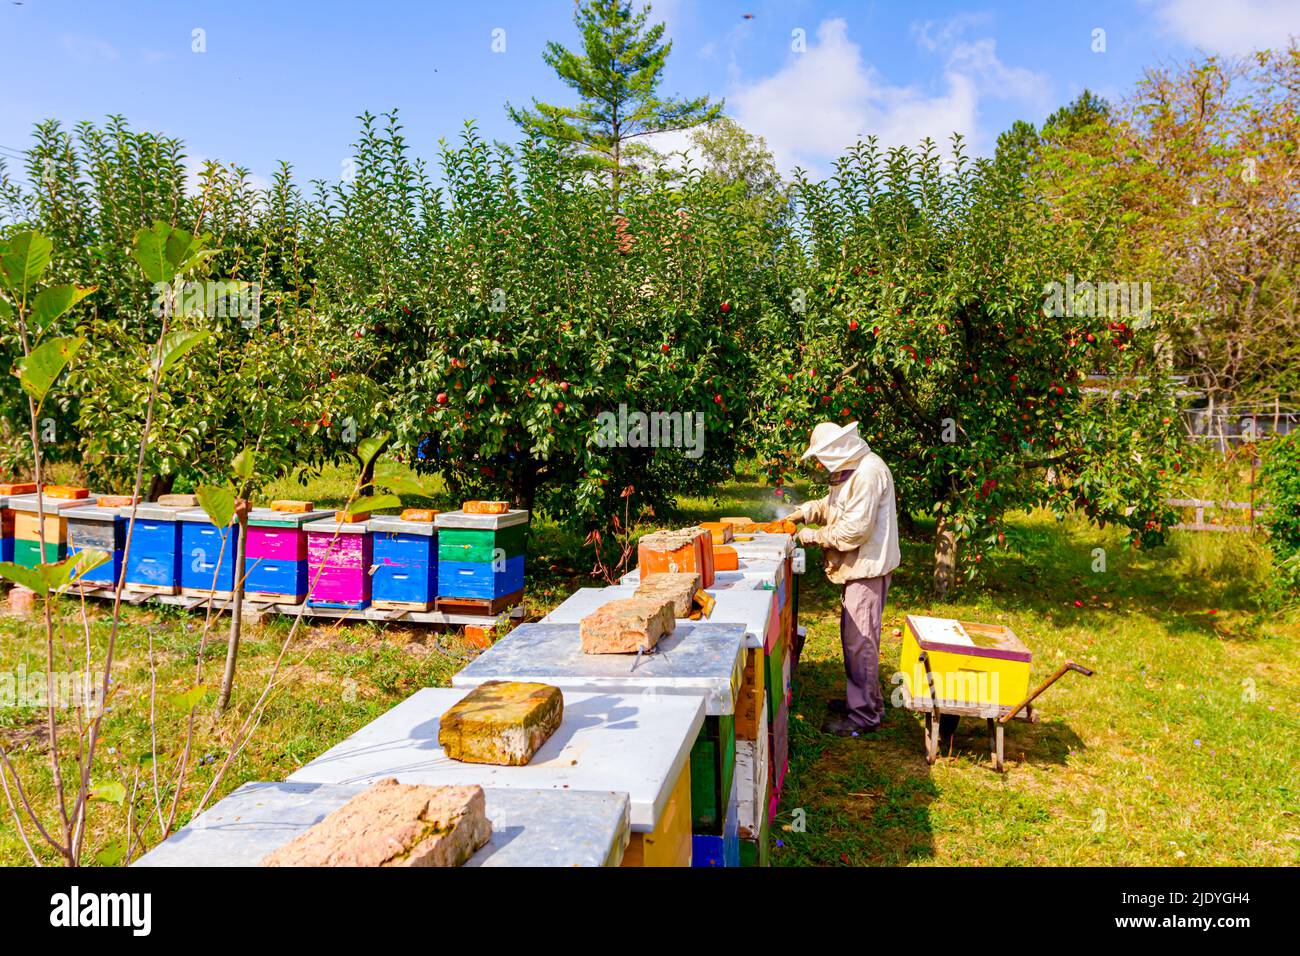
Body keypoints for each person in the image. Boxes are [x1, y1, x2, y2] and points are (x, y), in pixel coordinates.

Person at [787, 422, 900, 737]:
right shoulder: (852, 469)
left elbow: (854, 530)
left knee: (860, 641)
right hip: (860, 568)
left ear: (836, 451)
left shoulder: (867, 473)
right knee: (853, 638)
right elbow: (833, 505)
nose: (821, 465)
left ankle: (864, 716)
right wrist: (805, 512)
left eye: (823, 457)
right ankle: (863, 700)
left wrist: (812, 536)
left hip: (868, 568)